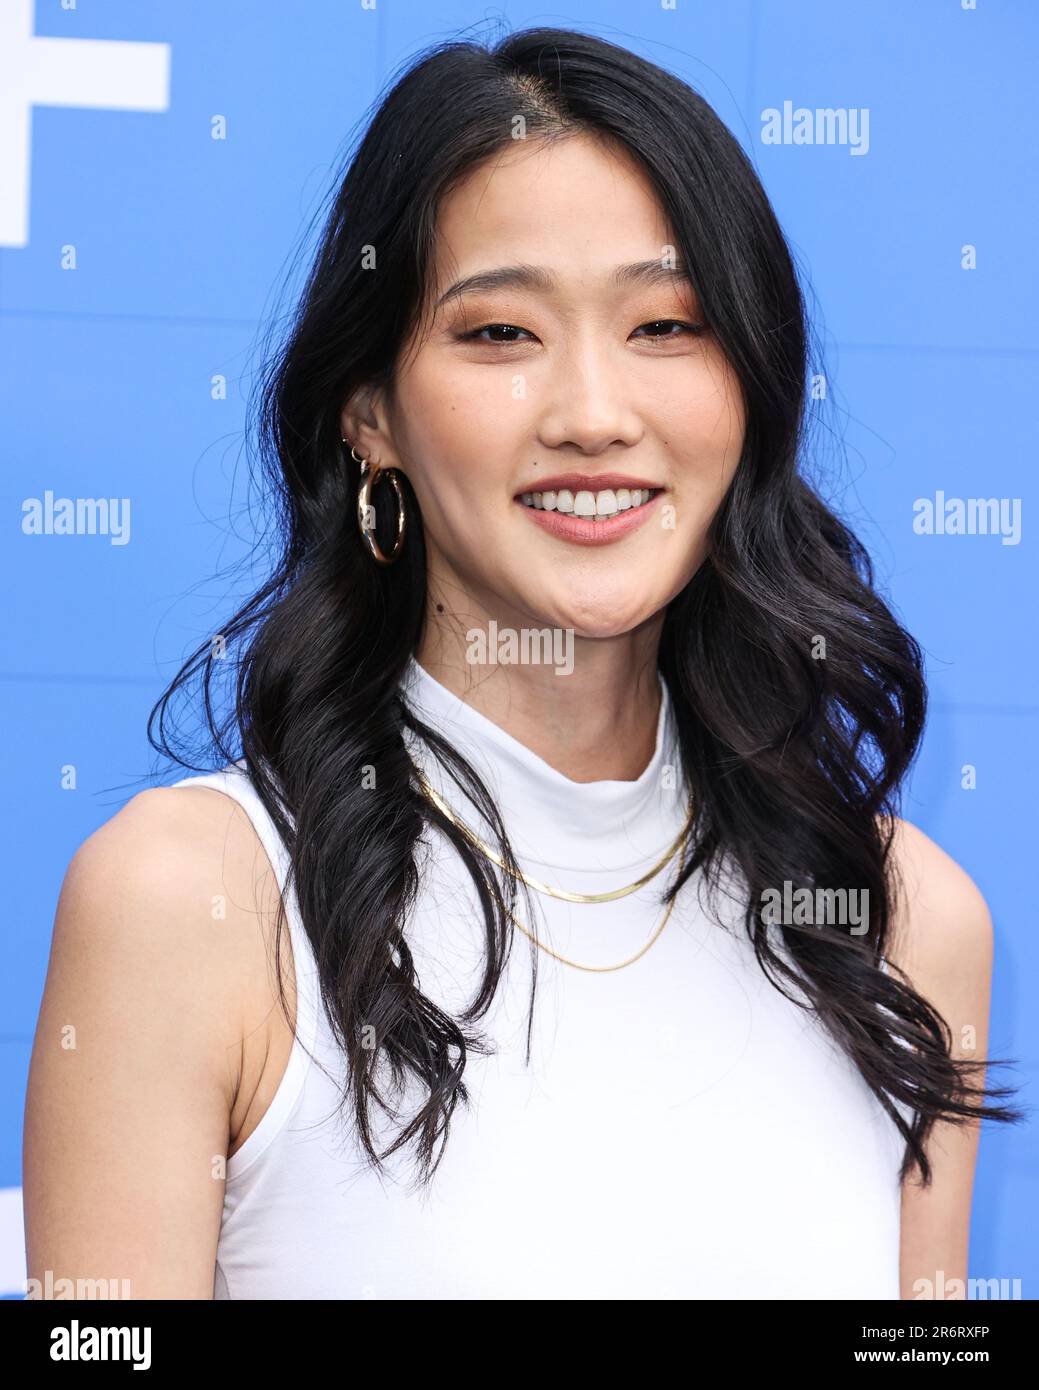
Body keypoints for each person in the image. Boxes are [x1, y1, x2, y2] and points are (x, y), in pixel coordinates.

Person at [23, 26, 1019, 1300]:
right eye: (499, 333)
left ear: (751, 393)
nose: (593, 413)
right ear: (369, 412)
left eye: (665, 324)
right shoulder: (187, 901)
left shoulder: (901, 920)